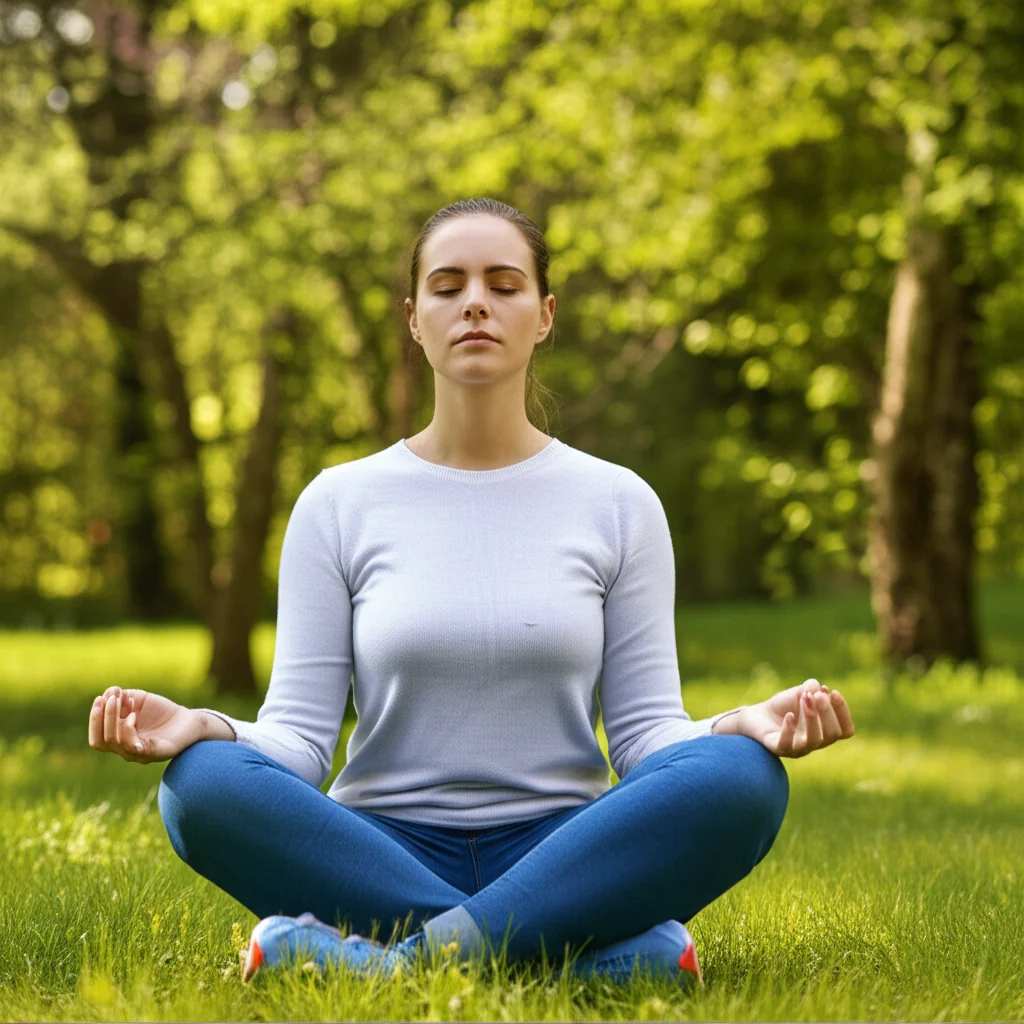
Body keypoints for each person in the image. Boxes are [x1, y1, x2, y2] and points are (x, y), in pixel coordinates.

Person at [87, 197, 856, 987]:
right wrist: (200, 725)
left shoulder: (619, 502)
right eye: (449, 285)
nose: (476, 302)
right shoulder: (338, 502)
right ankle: (577, 961)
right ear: (415, 319)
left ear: (545, 314)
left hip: (567, 849)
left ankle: (393, 968)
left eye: (504, 283)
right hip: (378, 850)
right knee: (200, 785)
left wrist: (741, 725)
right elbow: (299, 743)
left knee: (743, 777)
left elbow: (645, 737)